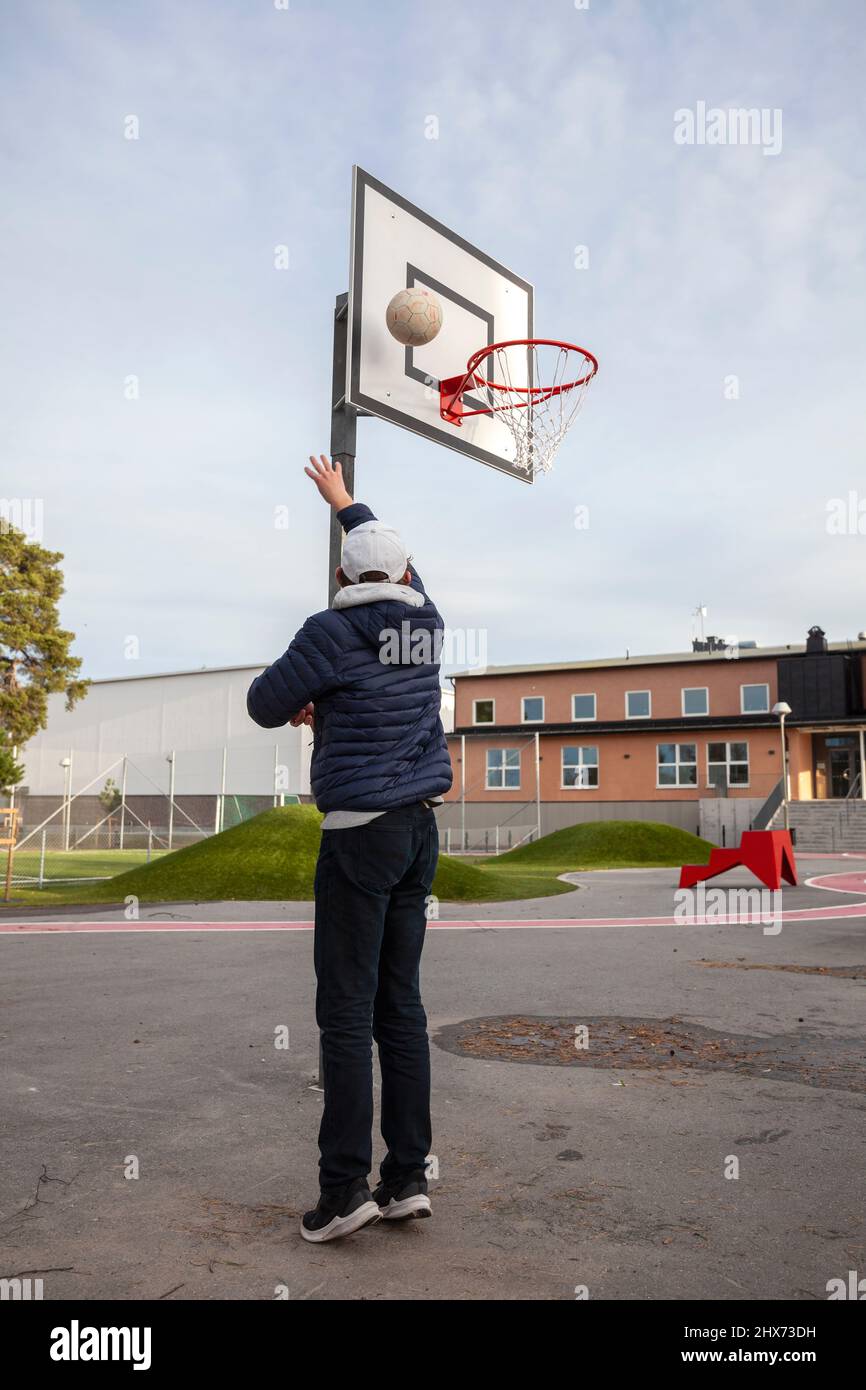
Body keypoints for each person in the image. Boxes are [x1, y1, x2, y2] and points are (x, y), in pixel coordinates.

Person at [247, 455, 452, 1242]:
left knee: (344, 1010)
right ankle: (406, 1180)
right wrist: (348, 504)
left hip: (358, 834)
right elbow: (398, 568)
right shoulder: (425, 624)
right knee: (399, 1007)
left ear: (340, 574)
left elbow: (265, 703)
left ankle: (344, 1193)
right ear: (405, 573)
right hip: (417, 831)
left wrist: (310, 695)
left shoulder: (329, 630)